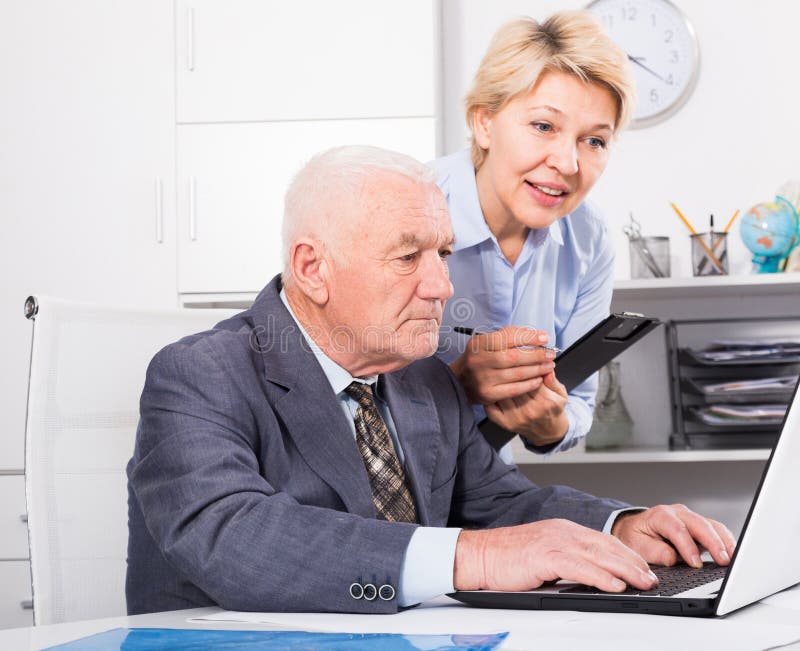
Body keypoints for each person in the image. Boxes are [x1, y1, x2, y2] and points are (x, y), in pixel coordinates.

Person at [126, 146, 734, 616]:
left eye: (442, 254)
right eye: (406, 256)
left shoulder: (422, 378)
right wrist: (476, 557)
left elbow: (501, 504)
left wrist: (619, 527)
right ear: (312, 268)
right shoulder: (200, 374)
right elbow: (229, 537)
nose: (442, 286)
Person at [431, 11, 635, 458]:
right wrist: (455, 385)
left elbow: (577, 404)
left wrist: (549, 423)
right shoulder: (407, 207)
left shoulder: (589, 237)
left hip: (488, 477)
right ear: (484, 123)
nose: (568, 163)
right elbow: (343, 394)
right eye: (544, 126)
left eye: (594, 141)